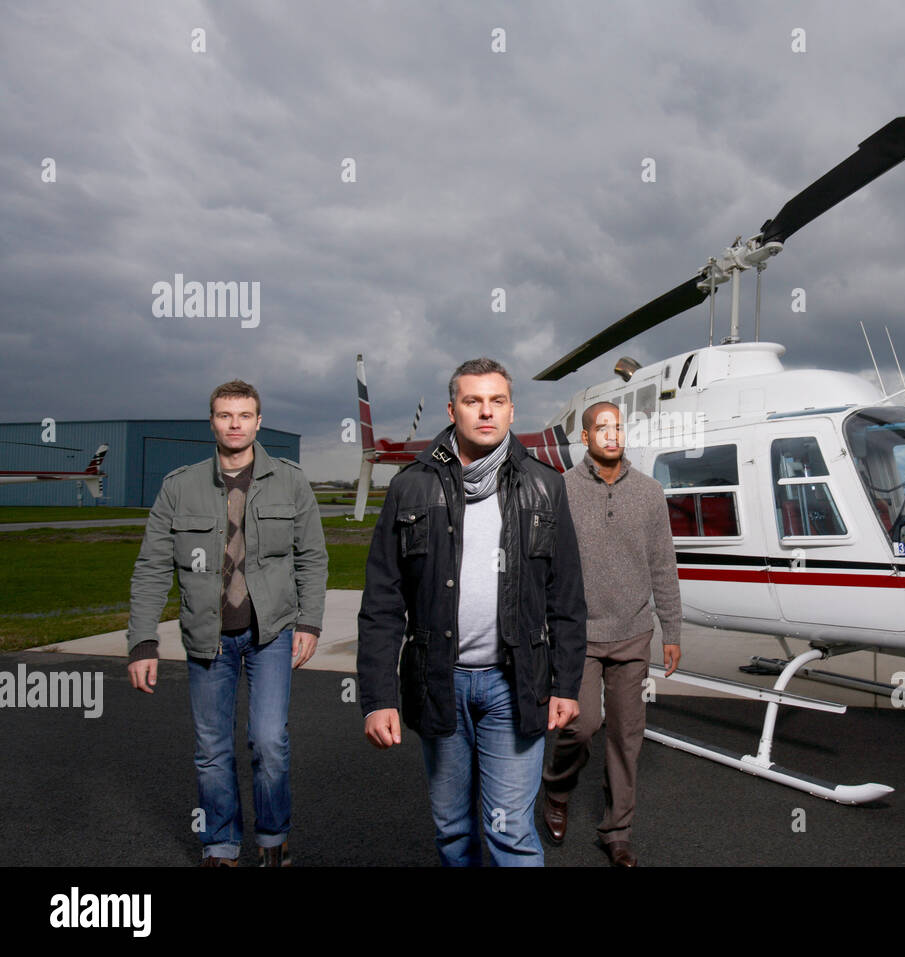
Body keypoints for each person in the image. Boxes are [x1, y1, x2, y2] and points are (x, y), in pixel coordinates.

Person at [356, 357, 586, 866]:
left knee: (510, 833)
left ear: (511, 409)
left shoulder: (547, 486)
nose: (486, 412)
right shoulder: (410, 487)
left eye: (497, 401)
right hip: (440, 681)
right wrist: (377, 698)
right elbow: (382, 604)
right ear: (452, 409)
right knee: (454, 832)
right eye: (472, 401)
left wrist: (566, 685)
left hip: (515, 683)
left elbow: (566, 598)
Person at [126, 380, 327, 866]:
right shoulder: (180, 486)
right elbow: (152, 566)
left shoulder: (291, 480)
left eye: (244, 415)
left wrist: (310, 623)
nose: (234, 424)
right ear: (212, 421)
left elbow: (312, 558)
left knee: (268, 740)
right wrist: (142, 642)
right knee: (212, 749)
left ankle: (273, 838)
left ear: (259, 422)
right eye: (224, 415)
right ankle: (220, 845)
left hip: (271, 633)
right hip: (207, 638)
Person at [540, 401, 681, 867]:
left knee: (627, 735)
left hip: (633, 632)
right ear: (586, 437)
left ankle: (616, 832)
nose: (611, 434)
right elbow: (546, 563)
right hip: (577, 635)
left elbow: (663, 566)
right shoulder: (560, 491)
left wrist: (671, 629)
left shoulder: (649, 492)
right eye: (602, 428)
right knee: (581, 726)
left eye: (617, 427)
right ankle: (557, 789)